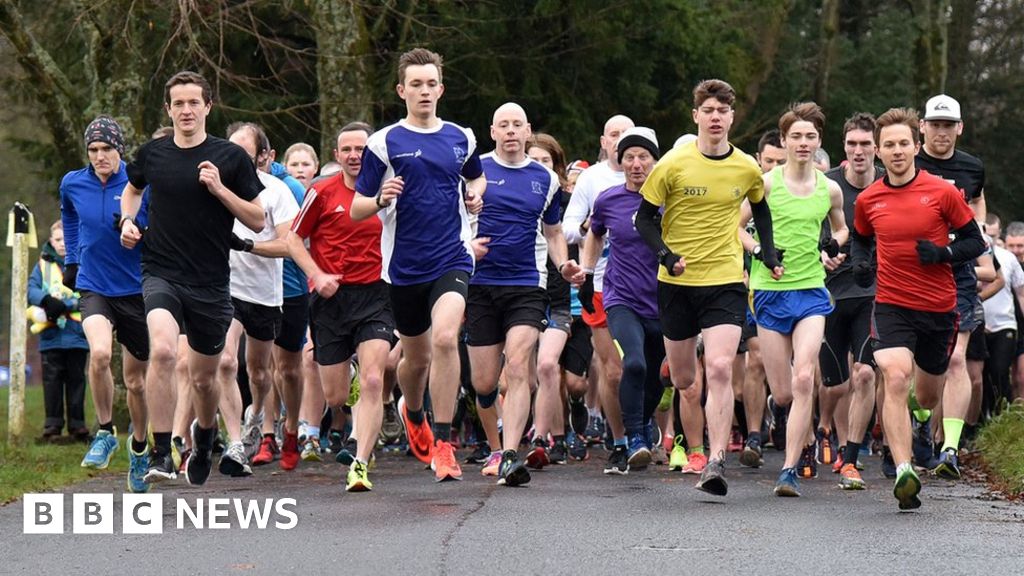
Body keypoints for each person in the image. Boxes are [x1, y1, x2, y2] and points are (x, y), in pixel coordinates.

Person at [635, 79, 782, 497]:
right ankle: (672, 375)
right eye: (708, 111)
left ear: (732, 118)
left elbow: (761, 210)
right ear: (696, 116)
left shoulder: (747, 168)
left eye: (723, 111)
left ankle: (715, 460)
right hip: (677, 282)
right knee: (685, 379)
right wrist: (665, 255)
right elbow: (643, 219)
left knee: (718, 367)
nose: (716, 118)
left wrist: (767, 254)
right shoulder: (672, 164)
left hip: (724, 279)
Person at [119, 70, 265, 485]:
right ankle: (162, 452)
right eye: (178, 103)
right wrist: (128, 221)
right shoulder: (153, 154)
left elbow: (257, 219)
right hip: (160, 271)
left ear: (208, 107)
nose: (186, 110)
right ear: (169, 108)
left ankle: (204, 438)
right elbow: (131, 189)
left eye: (193, 102)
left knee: (205, 378)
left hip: (210, 283)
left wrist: (220, 190)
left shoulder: (230, 159)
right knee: (163, 351)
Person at [350, 48, 485, 482]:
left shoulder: (461, 136)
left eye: (431, 84)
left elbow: (475, 175)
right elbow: (356, 208)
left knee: (446, 337)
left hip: (452, 256)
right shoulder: (383, 142)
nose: (424, 91)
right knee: (416, 360)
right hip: (405, 267)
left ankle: (444, 444)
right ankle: (412, 409)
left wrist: (476, 193)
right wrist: (380, 198)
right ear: (401, 90)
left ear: (440, 89)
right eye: (416, 84)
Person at [851, 107, 985, 510]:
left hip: (939, 308)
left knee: (925, 397)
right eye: (888, 145)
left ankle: (921, 420)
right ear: (878, 151)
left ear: (915, 146)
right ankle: (905, 468)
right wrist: (861, 264)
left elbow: (974, 242)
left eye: (903, 144)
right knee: (893, 375)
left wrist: (942, 253)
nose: (896, 151)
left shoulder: (941, 192)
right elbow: (860, 238)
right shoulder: (869, 198)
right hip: (892, 303)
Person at [739, 102, 847, 497]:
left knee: (805, 378)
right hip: (769, 293)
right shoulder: (764, 184)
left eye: (811, 137)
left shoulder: (829, 188)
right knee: (784, 392)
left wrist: (832, 245)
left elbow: (842, 228)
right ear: (783, 141)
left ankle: (786, 470)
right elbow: (737, 230)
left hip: (811, 292)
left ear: (819, 142)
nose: (803, 143)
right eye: (796, 137)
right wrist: (758, 252)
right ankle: (775, 406)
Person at [467, 103, 571, 486]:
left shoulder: (545, 178)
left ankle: (511, 454)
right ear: (492, 131)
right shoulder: (473, 171)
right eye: (503, 125)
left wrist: (563, 266)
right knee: (483, 383)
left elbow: (555, 232)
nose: (511, 131)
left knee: (518, 365)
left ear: (528, 131)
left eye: (517, 125)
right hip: (479, 284)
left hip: (527, 283)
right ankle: (495, 446)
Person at [288, 121, 394, 491]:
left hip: (376, 295)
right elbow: (293, 240)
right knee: (335, 396)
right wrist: (317, 275)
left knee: (374, 379)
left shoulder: (386, 191)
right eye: (347, 150)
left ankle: (360, 463)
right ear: (336, 155)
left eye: (361, 149)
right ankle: (349, 390)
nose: (354, 156)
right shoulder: (320, 191)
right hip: (330, 298)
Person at [60, 116, 153, 492]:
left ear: (120, 150)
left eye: (107, 149)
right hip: (93, 284)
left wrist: (139, 231)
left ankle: (141, 448)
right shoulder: (72, 182)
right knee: (98, 354)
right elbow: (68, 214)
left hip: (136, 289)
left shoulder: (138, 182)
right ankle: (104, 431)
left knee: (136, 382)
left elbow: (155, 223)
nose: (100, 156)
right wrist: (72, 261)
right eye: (94, 150)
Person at [568, 127, 663, 474]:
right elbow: (593, 234)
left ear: (655, 161)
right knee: (633, 363)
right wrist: (588, 273)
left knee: (658, 375)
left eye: (643, 157)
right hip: (620, 295)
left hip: (663, 299)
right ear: (620, 162)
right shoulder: (608, 199)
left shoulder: (670, 200)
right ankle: (634, 438)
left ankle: (643, 420)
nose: (636, 164)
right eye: (629, 158)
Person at [211, 121, 300, 477]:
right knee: (226, 362)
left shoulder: (276, 190)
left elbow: (290, 245)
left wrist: (249, 245)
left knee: (261, 372)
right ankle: (235, 440)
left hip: (264, 294)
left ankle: (258, 416)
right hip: (224, 289)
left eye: (244, 155)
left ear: (263, 157)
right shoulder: (212, 188)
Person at [914, 94, 994, 478]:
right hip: (913, 270)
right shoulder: (908, 161)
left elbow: (977, 202)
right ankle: (918, 421)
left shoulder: (972, 167)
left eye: (949, 125)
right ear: (923, 127)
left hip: (957, 269)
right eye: (935, 125)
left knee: (957, 358)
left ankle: (950, 448)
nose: (942, 132)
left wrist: (976, 227)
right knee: (916, 364)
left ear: (959, 128)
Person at [562, 114, 634, 452]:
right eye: (613, 135)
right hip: (602, 283)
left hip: (642, 285)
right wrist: (593, 226)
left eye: (626, 135)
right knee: (614, 369)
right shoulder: (591, 179)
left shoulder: (653, 176)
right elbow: (567, 229)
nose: (620, 141)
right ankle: (620, 438)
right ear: (604, 142)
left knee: (642, 365)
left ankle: (641, 428)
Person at [818, 112, 883, 490]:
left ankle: (849, 455)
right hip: (828, 293)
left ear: (875, 147)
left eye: (865, 144)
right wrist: (821, 254)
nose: (859, 151)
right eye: (852, 144)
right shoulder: (826, 185)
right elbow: (805, 230)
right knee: (836, 384)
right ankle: (825, 427)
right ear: (844, 146)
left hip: (873, 291)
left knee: (865, 373)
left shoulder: (887, 184)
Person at [29, 220, 89, 444]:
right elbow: (31, 290)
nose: (62, 244)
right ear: (50, 241)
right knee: (51, 379)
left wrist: (69, 305)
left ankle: (78, 425)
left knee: (76, 379)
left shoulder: (83, 263)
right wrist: (46, 300)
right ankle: (52, 424)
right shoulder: (42, 266)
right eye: (58, 239)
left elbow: (90, 290)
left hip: (76, 334)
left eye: (66, 239)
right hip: (51, 336)